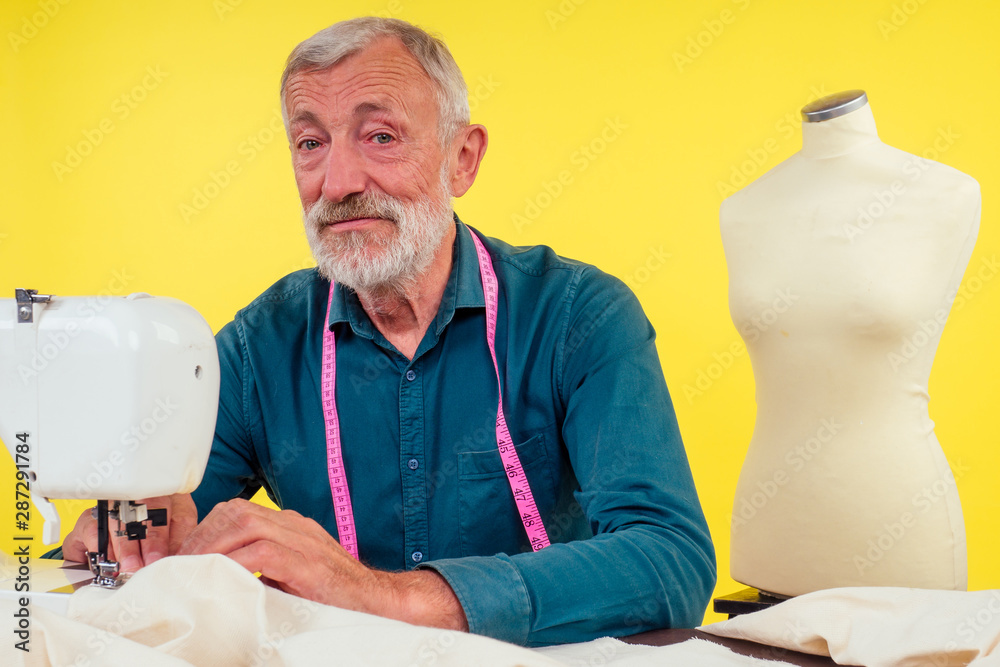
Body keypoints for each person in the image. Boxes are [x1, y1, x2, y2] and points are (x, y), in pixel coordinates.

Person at [61, 17, 715, 646]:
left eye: (380, 136)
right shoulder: (263, 345)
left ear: (461, 159)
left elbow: (670, 559)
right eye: (311, 143)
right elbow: (155, 525)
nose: (338, 183)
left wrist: (386, 595)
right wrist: (122, 528)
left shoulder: (579, 316)